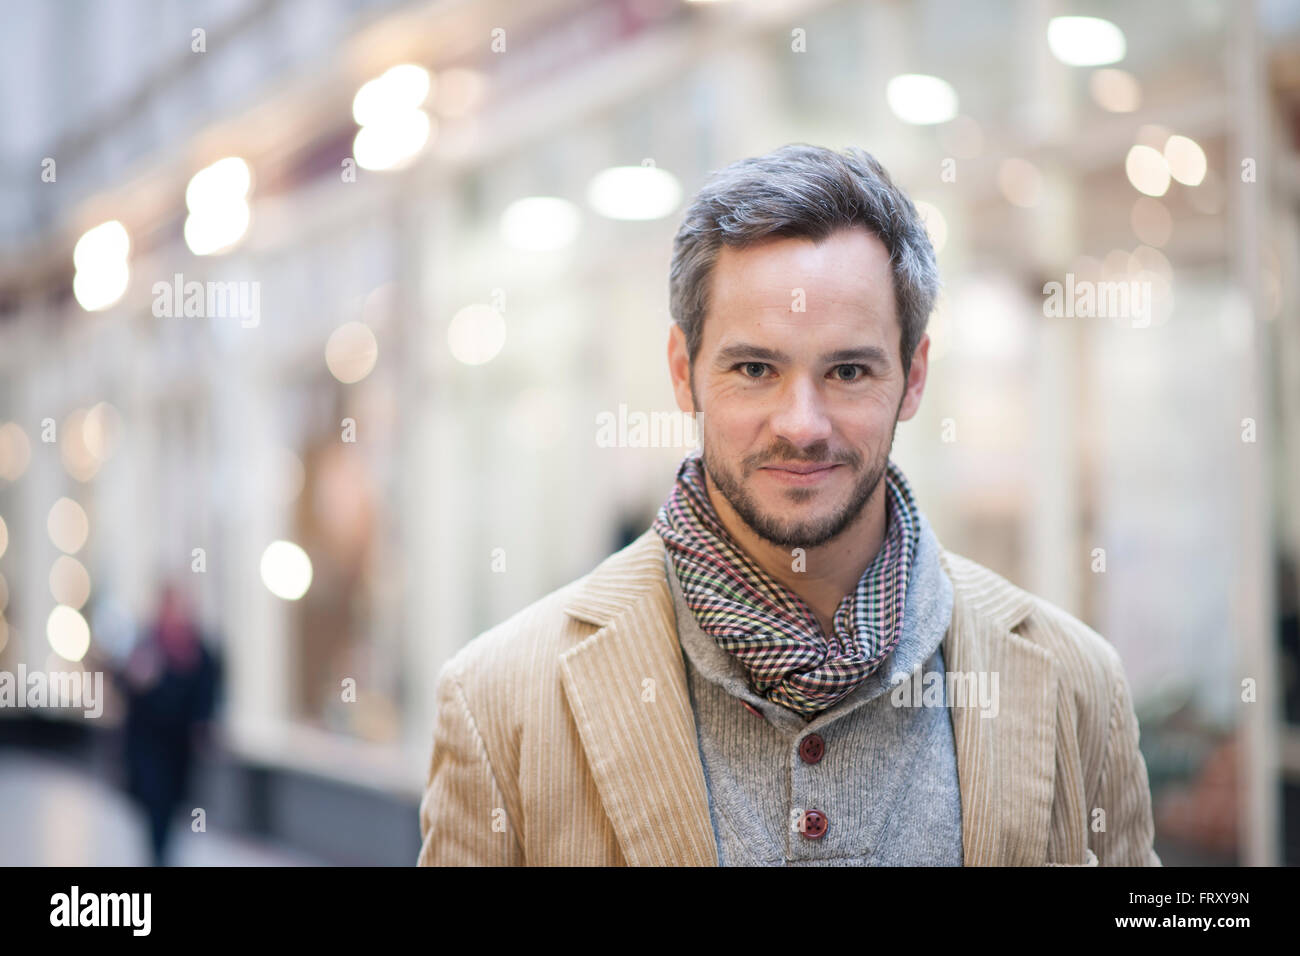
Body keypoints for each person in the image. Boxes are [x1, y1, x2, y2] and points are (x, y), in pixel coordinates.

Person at [418, 143, 1160, 866]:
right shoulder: (501, 702)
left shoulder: (1074, 681)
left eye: (846, 370)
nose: (802, 424)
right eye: (754, 368)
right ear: (684, 374)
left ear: (914, 374)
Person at [120, 583, 221, 866]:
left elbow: (208, 692)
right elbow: (128, 693)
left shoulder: (199, 651)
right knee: (155, 810)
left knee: (172, 811)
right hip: (149, 751)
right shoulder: (147, 646)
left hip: (180, 752)